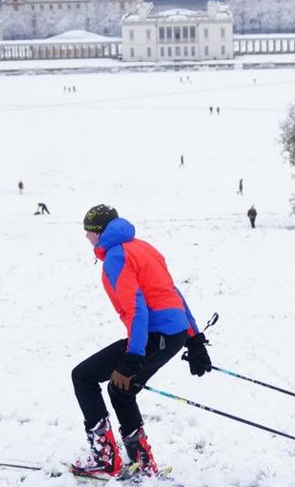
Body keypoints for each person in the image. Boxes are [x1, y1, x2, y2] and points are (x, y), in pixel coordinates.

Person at [70, 205, 212, 479]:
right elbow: (174, 294)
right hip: (173, 334)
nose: (87, 237)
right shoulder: (144, 247)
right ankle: (142, 462)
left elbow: (137, 310)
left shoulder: (116, 257)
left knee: (83, 376)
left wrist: (132, 358)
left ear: (99, 232)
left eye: (88, 231)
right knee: (120, 390)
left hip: (153, 335)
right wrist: (194, 340)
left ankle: (105, 458)